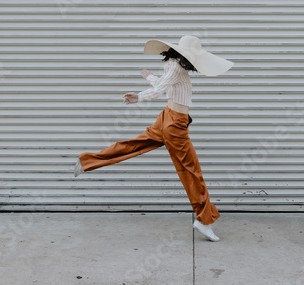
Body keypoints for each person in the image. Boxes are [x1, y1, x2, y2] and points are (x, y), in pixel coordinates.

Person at [73, 35, 233, 242]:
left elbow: (164, 85)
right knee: (192, 173)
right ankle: (204, 220)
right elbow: (159, 90)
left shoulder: (174, 66)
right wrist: (139, 96)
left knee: (134, 145)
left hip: (167, 119)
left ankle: (86, 161)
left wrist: (148, 78)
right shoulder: (176, 68)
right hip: (174, 125)